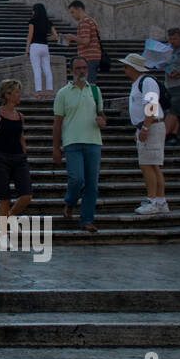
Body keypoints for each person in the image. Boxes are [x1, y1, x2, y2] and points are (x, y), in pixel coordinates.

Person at [53, 57, 106, 233]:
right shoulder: (63, 93)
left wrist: (102, 121)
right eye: (78, 68)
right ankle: (70, 201)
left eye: (84, 68)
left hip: (93, 141)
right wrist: (56, 148)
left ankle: (87, 220)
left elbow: (102, 115)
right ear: (71, 71)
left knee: (92, 184)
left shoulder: (96, 91)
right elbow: (58, 122)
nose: (81, 71)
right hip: (72, 142)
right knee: (77, 179)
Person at [0, 79, 32, 246]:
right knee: (4, 197)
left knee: (26, 195)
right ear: (7, 94)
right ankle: (4, 234)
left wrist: (24, 152)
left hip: (18, 157)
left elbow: (21, 136)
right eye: (16, 92)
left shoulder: (20, 116)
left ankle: (9, 216)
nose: (19, 95)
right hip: (0, 157)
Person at [120, 53, 169, 216]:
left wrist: (145, 128)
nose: (124, 69)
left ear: (133, 68)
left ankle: (152, 199)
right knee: (153, 164)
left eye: (126, 66)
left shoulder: (147, 82)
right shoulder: (138, 83)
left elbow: (151, 104)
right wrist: (140, 127)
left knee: (147, 164)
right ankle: (160, 201)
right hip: (147, 126)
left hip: (152, 126)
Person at [63, 0, 102, 83]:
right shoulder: (92, 20)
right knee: (90, 82)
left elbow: (85, 41)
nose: (72, 15)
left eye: (73, 12)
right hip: (95, 55)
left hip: (88, 57)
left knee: (88, 83)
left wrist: (72, 37)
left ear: (79, 9)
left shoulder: (84, 22)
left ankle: (91, 96)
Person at [25, 3, 58, 99]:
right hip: (45, 47)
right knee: (47, 69)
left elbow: (30, 35)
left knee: (37, 69)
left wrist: (27, 48)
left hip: (35, 46)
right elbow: (55, 36)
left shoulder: (33, 21)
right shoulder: (48, 21)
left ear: (35, 11)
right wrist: (46, 38)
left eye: (33, 10)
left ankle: (38, 92)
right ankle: (49, 91)